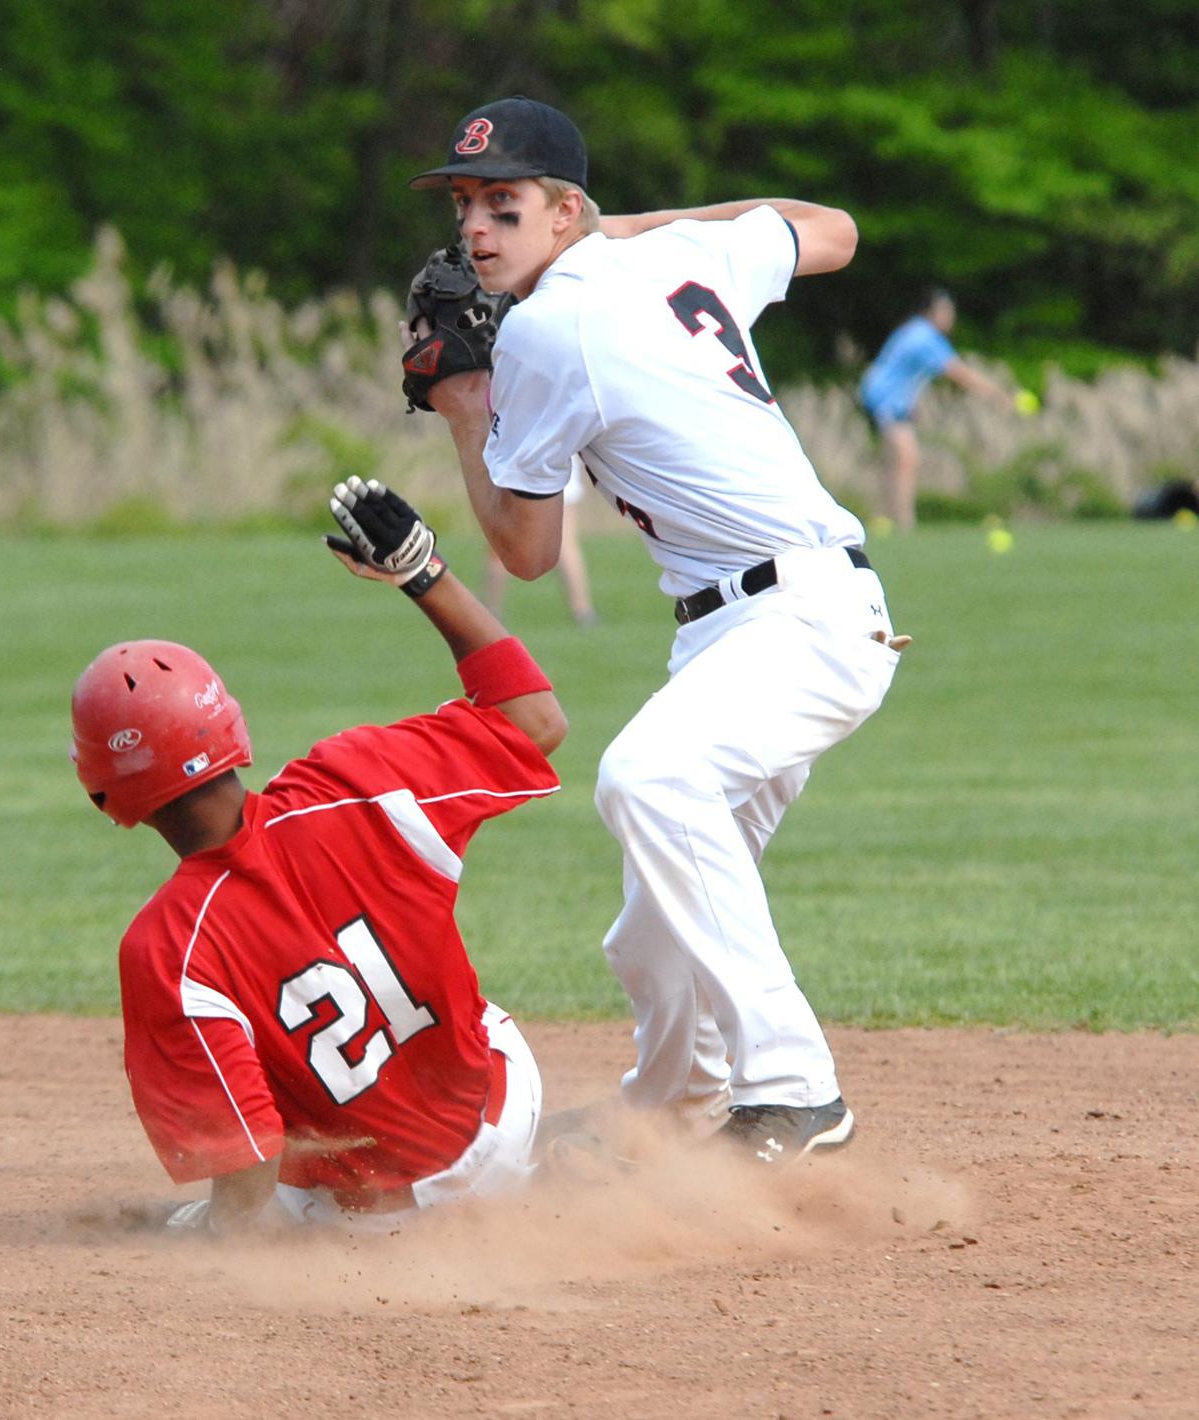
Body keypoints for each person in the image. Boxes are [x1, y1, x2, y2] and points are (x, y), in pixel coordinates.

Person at [407, 95, 910, 1167]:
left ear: (563, 208)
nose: (476, 230)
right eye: (465, 206)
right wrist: (632, 228)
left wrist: (459, 395)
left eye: (505, 203)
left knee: (647, 783)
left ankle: (793, 1088)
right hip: (765, 625)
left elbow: (527, 551)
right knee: (655, 912)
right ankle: (672, 1106)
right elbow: (831, 230)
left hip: (800, 622)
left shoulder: (549, 327)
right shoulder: (683, 253)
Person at [69, 478, 567, 1234]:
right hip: (507, 1107)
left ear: (107, 794)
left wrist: (202, 1236)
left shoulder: (169, 949)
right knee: (462, 1015)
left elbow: (245, 1180)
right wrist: (421, 572)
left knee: (197, 1221)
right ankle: (547, 1170)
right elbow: (536, 719)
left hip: (392, 1215)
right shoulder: (353, 783)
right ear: (229, 728)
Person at [859, 289, 1014, 531]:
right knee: (906, 457)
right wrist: (997, 394)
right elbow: (959, 373)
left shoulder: (914, 331)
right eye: (946, 312)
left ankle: (889, 517)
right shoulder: (924, 336)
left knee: (897, 459)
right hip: (884, 400)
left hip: (888, 400)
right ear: (933, 312)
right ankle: (903, 522)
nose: (950, 317)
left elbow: (908, 375)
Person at [484, 455, 597, 626]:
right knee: (566, 541)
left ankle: (490, 610)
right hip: (558, 455)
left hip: (520, 457)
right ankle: (582, 611)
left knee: (503, 540)